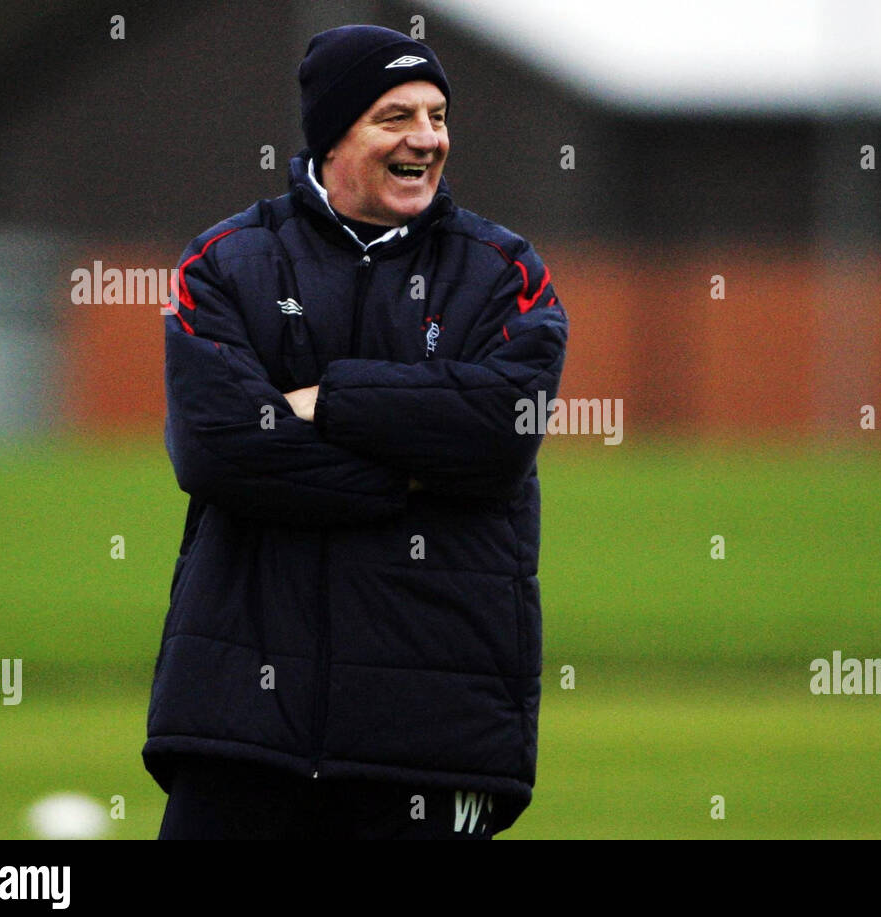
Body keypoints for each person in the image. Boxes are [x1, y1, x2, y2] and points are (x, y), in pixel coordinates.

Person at [144, 24, 568, 839]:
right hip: (241, 729)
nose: (427, 139)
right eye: (395, 116)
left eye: (437, 115)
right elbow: (218, 445)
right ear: (332, 134)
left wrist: (330, 399)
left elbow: (500, 433)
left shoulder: (505, 273)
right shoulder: (227, 261)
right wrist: (412, 473)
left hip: (434, 737)